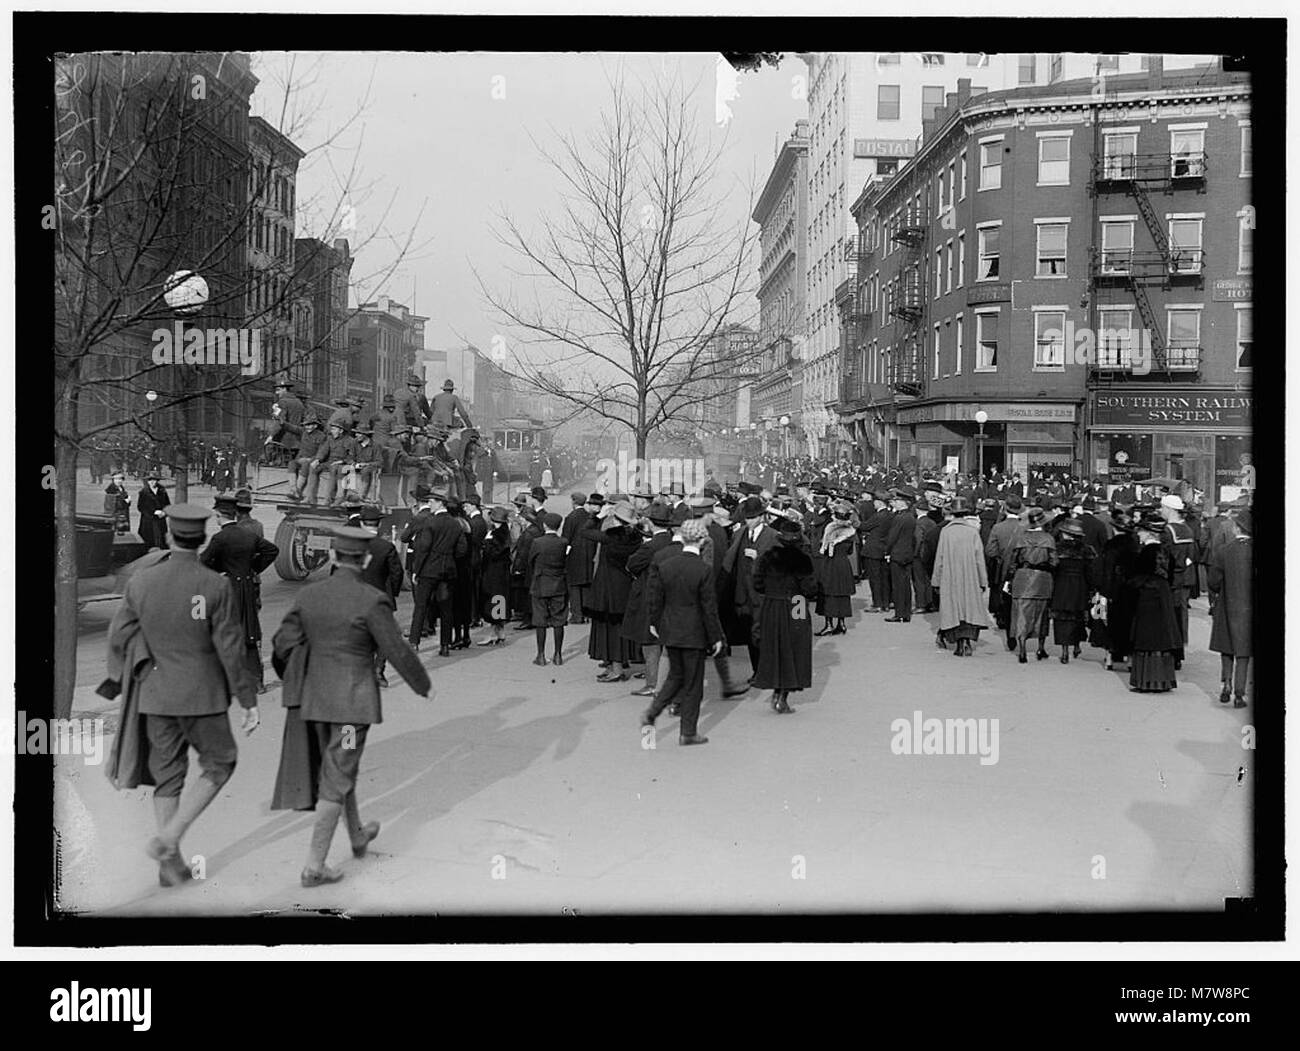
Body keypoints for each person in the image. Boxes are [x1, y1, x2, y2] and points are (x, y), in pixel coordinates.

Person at [102, 504, 259, 888]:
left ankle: (170, 864)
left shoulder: (141, 583)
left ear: (169, 536)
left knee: (167, 778)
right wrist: (248, 700)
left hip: (155, 694)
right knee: (220, 763)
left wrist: (117, 679)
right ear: (203, 539)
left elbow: (118, 637)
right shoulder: (216, 585)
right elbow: (231, 648)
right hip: (203, 696)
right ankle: (170, 840)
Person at [271, 526, 431, 886]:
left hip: (313, 700)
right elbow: (395, 649)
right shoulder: (371, 600)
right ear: (367, 559)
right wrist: (423, 686)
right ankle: (315, 865)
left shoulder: (309, 595)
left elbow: (282, 643)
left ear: (331, 556)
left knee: (339, 769)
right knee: (339, 772)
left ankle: (357, 835)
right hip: (352, 708)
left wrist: (291, 677)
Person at [640, 518, 725, 746]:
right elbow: (709, 608)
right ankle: (688, 732)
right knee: (693, 684)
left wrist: (654, 623)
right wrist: (715, 637)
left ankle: (653, 710)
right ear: (701, 540)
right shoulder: (703, 570)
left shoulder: (666, 565)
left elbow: (655, 597)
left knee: (675, 676)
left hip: (671, 629)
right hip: (695, 632)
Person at [201, 494, 279, 692]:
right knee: (249, 634)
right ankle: (257, 683)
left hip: (228, 590)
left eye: (216, 516)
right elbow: (272, 550)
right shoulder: (248, 535)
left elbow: (203, 562)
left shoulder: (220, 538)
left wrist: (218, 571)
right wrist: (252, 569)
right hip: (247, 589)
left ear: (219, 515)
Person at [751, 515, 818, 713]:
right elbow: (809, 588)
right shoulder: (802, 559)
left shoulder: (768, 555)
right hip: (795, 603)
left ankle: (775, 687)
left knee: (774, 644)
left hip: (772, 604)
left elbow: (758, 584)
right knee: (796, 644)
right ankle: (783, 695)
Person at [583, 500, 643, 682]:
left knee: (608, 626)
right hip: (624, 585)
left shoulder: (612, 536)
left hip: (607, 586)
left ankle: (615, 668)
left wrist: (597, 516)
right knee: (618, 626)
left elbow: (584, 532)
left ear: (616, 519)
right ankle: (615, 664)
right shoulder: (635, 538)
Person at [721, 495, 778, 678]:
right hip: (742, 594)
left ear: (761, 517)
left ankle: (763, 671)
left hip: (762, 595)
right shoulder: (739, 534)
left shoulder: (773, 536)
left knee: (760, 634)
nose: (750, 521)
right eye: (747, 518)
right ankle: (757, 670)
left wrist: (759, 557)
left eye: (753, 518)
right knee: (749, 635)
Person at [1126, 511, 1183, 693]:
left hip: (1148, 596)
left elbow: (1136, 577)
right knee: (1162, 638)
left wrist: (1130, 585)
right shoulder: (1167, 551)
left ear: (1149, 533)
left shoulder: (1145, 553)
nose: (1139, 534)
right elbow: (1171, 576)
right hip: (1164, 595)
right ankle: (1163, 680)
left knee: (1147, 638)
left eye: (1141, 531)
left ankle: (1146, 681)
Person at [624, 503, 677, 698]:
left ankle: (653, 683)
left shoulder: (651, 546)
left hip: (649, 595)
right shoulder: (671, 542)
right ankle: (665, 681)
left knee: (650, 643)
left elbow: (631, 565)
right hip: (670, 597)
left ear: (652, 523)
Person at [407, 486, 468, 655]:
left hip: (428, 570)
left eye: (432, 501)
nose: (430, 504)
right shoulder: (456, 524)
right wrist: (448, 557)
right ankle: (445, 645)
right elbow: (462, 549)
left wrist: (416, 570)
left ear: (439, 503)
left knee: (421, 606)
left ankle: (414, 642)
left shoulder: (430, 523)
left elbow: (423, 548)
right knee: (446, 608)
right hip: (448, 570)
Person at [930, 498, 988, 657]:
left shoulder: (946, 532)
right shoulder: (973, 532)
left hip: (950, 576)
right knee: (968, 608)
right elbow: (979, 559)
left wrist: (936, 580)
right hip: (970, 577)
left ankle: (957, 642)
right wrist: (983, 580)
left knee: (953, 609)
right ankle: (967, 641)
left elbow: (939, 558)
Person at [1208, 508, 1252, 708]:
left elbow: (1213, 581)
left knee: (1227, 649)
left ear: (1237, 528)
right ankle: (1240, 694)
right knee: (1244, 652)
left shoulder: (1225, 551)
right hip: (1249, 609)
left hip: (1227, 604)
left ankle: (1226, 683)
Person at [1007, 506, 1058, 663]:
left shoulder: (1020, 538)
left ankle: (1022, 648)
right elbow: (1054, 562)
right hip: (1042, 579)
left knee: (1022, 613)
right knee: (1041, 614)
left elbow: (1012, 561)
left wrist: (1010, 578)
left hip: (1023, 578)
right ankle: (1040, 648)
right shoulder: (1049, 539)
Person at [1159, 494, 1199, 670]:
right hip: (1186, 579)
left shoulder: (1168, 532)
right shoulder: (1188, 530)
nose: (1161, 511)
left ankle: (1170, 650)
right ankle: (1179, 651)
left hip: (1172, 580)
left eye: (1162, 508)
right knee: (1182, 615)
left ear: (1169, 510)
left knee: (1169, 615)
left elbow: (1165, 558)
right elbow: (1193, 556)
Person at [1050, 519, 1095, 664]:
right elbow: (1091, 572)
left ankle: (1064, 651)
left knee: (1062, 618)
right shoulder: (1087, 550)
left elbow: (1053, 569)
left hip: (1061, 585)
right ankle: (1076, 645)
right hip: (1079, 586)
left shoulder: (1057, 549)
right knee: (1078, 617)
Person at [527, 511, 569, 666]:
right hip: (559, 583)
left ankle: (541, 655)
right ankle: (558, 655)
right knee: (559, 619)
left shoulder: (537, 542)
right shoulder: (563, 542)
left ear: (545, 525)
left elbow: (530, 560)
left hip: (540, 583)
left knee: (540, 619)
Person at [815, 498, 857, 636]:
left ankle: (828, 625)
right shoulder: (850, 531)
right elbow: (850, 550)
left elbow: (824, 548)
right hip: (843, 564)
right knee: (842, 594)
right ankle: (841, 624)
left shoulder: (830, 529)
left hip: (830, 563)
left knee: (828, 593)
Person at [476, 505, 514, 647]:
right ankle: (500, 631)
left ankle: (492, 634)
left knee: (492, 600)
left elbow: (494, 552)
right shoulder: (505, 532)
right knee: (500, 599)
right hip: (501, 573)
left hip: (493, 572)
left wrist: (486, 544)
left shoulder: (496, 535)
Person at [562, 493, 599, 623]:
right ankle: (587, 613)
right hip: (589, 554)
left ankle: (577, 615)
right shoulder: (590, 516)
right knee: (586, 584)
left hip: (575, 555)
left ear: (573, 502)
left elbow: (566, 538)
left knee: (574, 585)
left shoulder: (571, 517)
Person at [883, 487, 917, 623]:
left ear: (903, 503)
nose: (894, 503)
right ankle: (906, 613)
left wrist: (887, 551)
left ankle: (899, 613)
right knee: (906, 585)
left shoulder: (899, 518)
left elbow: (892, 537)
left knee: (897, 585)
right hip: (907, 554)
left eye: (897, 501)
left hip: (897, 554)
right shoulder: (910, 517)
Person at [861, 489, 893, 611]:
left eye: (875, 501)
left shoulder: (878, 516)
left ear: (880, 502)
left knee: (875, 578)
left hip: (873, 550)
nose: (873, 503)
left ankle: (877, 604)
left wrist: (852, 520)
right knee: (884, 578)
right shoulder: (890, 515)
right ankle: (886, 602)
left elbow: (864, 526)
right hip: (884, 549)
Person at [287, 415, 325, 502]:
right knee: (291, 463)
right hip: (301, 458)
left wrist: (312, 459)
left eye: (309, 425)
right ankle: (293, 490)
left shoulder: (321, 436)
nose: (307, 427)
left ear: (315, 426)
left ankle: (298, 490)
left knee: (305, 464)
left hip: (311, 460)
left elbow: (322, 451)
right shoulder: (303, 432)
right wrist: (281, 422)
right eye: (306, 425)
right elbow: (292, 428)